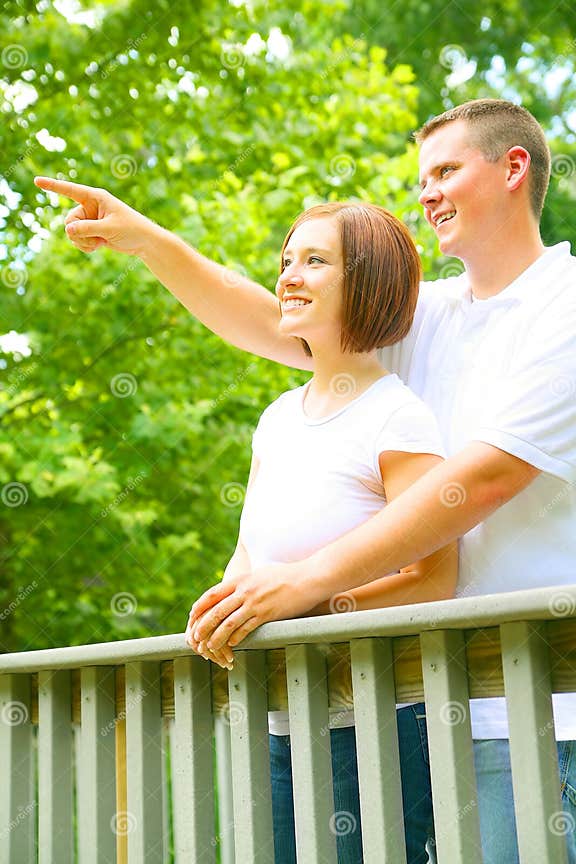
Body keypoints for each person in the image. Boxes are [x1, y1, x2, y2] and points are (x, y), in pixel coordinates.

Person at [34, 97, 576, 862]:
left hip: (544, 712)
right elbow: (275, 320)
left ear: (514, 168)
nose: (426, 192)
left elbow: (486, 477)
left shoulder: (565, 308)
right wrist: (148, 241)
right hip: (440, 699)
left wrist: (305, 588)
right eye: (422, 176)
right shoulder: (436, 314)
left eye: (447, 170)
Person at [189, 200, 457, 864]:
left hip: (374, 723)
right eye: (286, 261)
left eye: (315, 261)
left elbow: (436, 578)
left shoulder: (398, 418)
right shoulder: (278, 417)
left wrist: (316, 606)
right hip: (278, 716)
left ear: (366, 282)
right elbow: (253, 550)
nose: (289, 276)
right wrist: (223, 608)